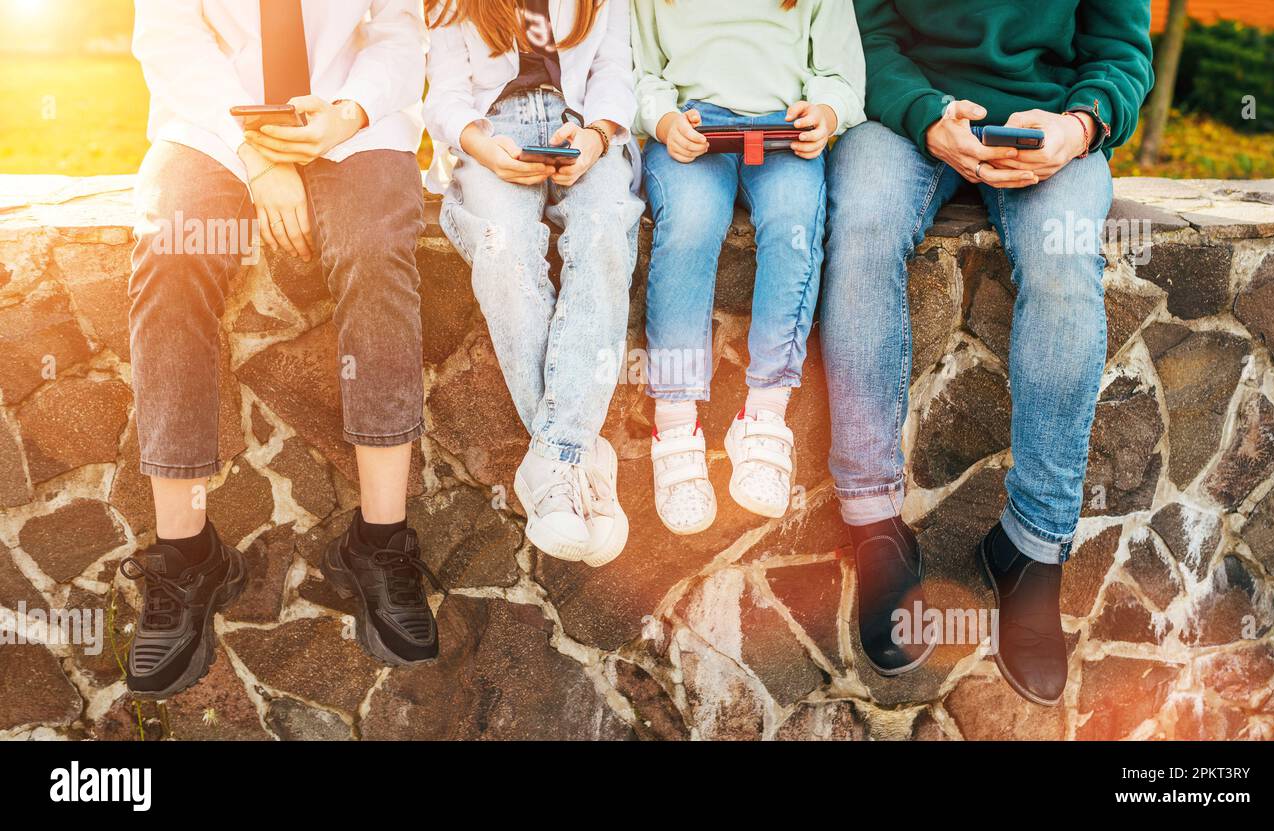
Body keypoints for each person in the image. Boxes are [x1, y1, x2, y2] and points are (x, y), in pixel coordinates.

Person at [823, 0, 1153, 698]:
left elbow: (1121, 54)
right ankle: (873, 523)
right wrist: (926, 115)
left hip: (1051, 124)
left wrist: (1080, 125)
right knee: (859, 231)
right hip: (909, 116)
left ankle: (1032, 548)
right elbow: (866, 35)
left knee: (1066, 271)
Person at [124, 0, 436, 695]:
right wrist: (254, 158)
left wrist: (348, 113)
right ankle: (187, 555)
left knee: (376, 250)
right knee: (171, 254)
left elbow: (398, 30)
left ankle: (380, 543)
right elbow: (169, 35)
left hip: (353, 126)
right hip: (211, 131)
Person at [632, 0, 865, 535]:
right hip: (692, 138)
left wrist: (826, 112)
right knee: (689, 226)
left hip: (783, 135)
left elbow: (842, 72)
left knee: (793, 225)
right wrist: (665, 121)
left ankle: (763, 413)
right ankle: (674, 424)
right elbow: (641, 71)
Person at [425, 0, 643, 566]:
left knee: (600, 238)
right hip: (493, 131)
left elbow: (615, 69)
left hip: (583, 127)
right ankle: (581, 456)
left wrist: (595, 136)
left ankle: (552, 464)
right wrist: (480, 145)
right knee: (501, 246)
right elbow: (445, 93)